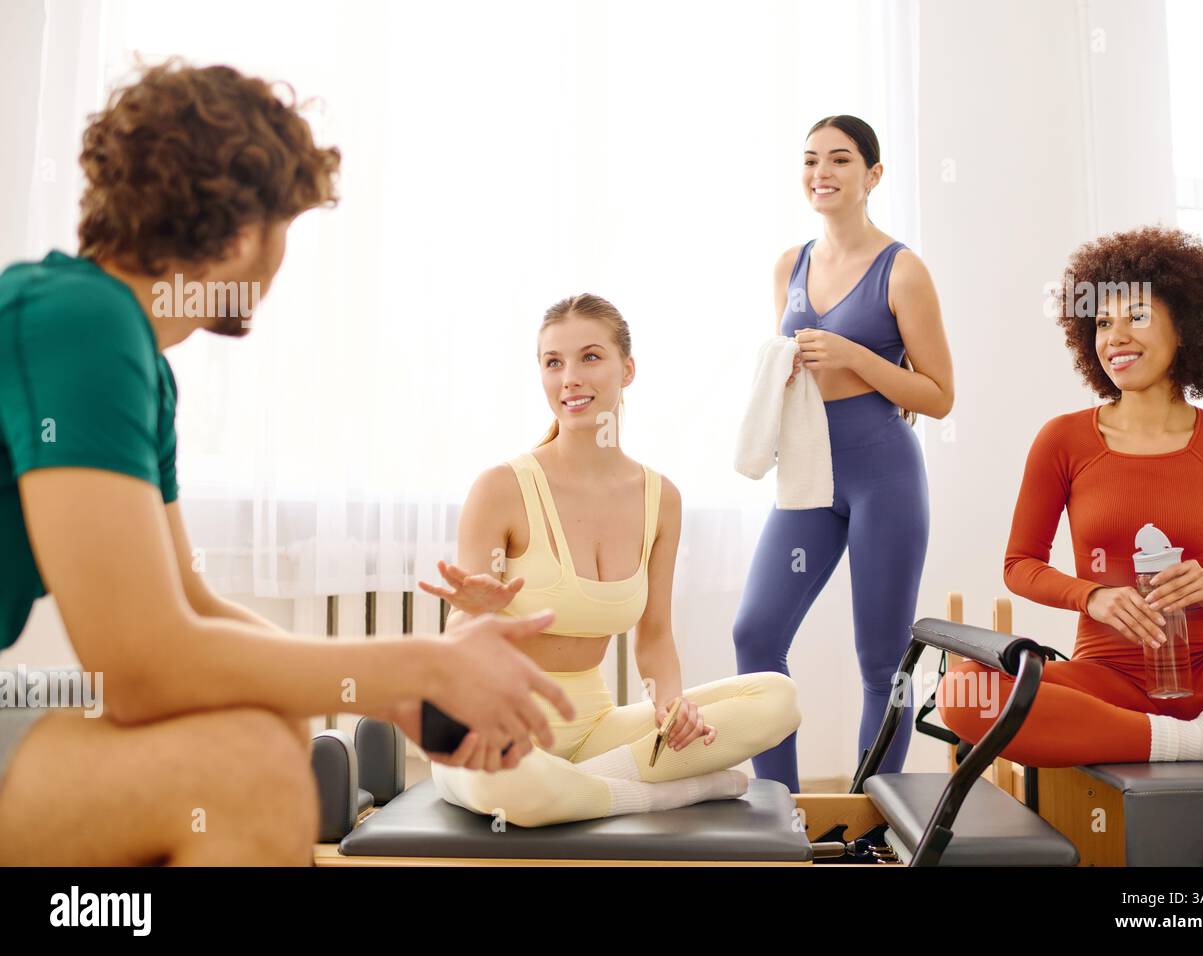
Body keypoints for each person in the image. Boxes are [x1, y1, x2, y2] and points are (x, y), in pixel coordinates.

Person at [0, 60, 575, 866]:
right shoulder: (80, 321)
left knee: (273, 724)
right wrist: (416, 665)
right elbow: (141, 669)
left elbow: (191, 604)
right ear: (242, 236)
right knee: (249, 774)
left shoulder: (128, 354)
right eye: (283, 232)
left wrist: (407, 693)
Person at [417, 293, 802, 826]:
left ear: (628, 369)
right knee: (512, 782)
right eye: (553, 363)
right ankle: (664, 792)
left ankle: (576, 787)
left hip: (590, 728)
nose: (570, 378)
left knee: (777, 698)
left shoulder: (660, 498)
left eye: (590, 357)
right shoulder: (501, 488)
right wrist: (475, 614)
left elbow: (655, 636)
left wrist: (671, 709)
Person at [939, 226, 1203, 771]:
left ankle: (1183, 738)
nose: (1115, 338)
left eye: (1137, 317)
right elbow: (1020, 565)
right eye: (1103, 323)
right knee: (967, 693)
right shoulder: (1063, 439)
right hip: (1107, 676)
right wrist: (1093, 596)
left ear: (1188, 327)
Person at [731, 115, 954, 792]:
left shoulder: (902, 270)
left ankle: (871, 819)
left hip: (883, 472)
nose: (821, 173)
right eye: (810, 160)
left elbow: (938, 395)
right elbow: (785, 366)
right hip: (809, 473)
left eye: (839, 159)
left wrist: (856, 356)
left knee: (883, 661)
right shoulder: (789, 265)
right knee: (755, 635)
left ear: (873, 175)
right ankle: (780, 809)